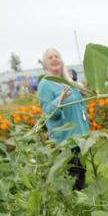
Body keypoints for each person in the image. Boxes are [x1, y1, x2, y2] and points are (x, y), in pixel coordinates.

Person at [37, 48, 89, 190]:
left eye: (57, 56)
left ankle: (82, 203)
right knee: (73, 179)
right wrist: (59, 99)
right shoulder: (46, 84)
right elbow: (47, 113)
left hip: (81, 137)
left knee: (81, 174)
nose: (54, 59)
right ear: (45, 64)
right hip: (67, 140)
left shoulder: (67, 82)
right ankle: (77, 208)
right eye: (50, 57)